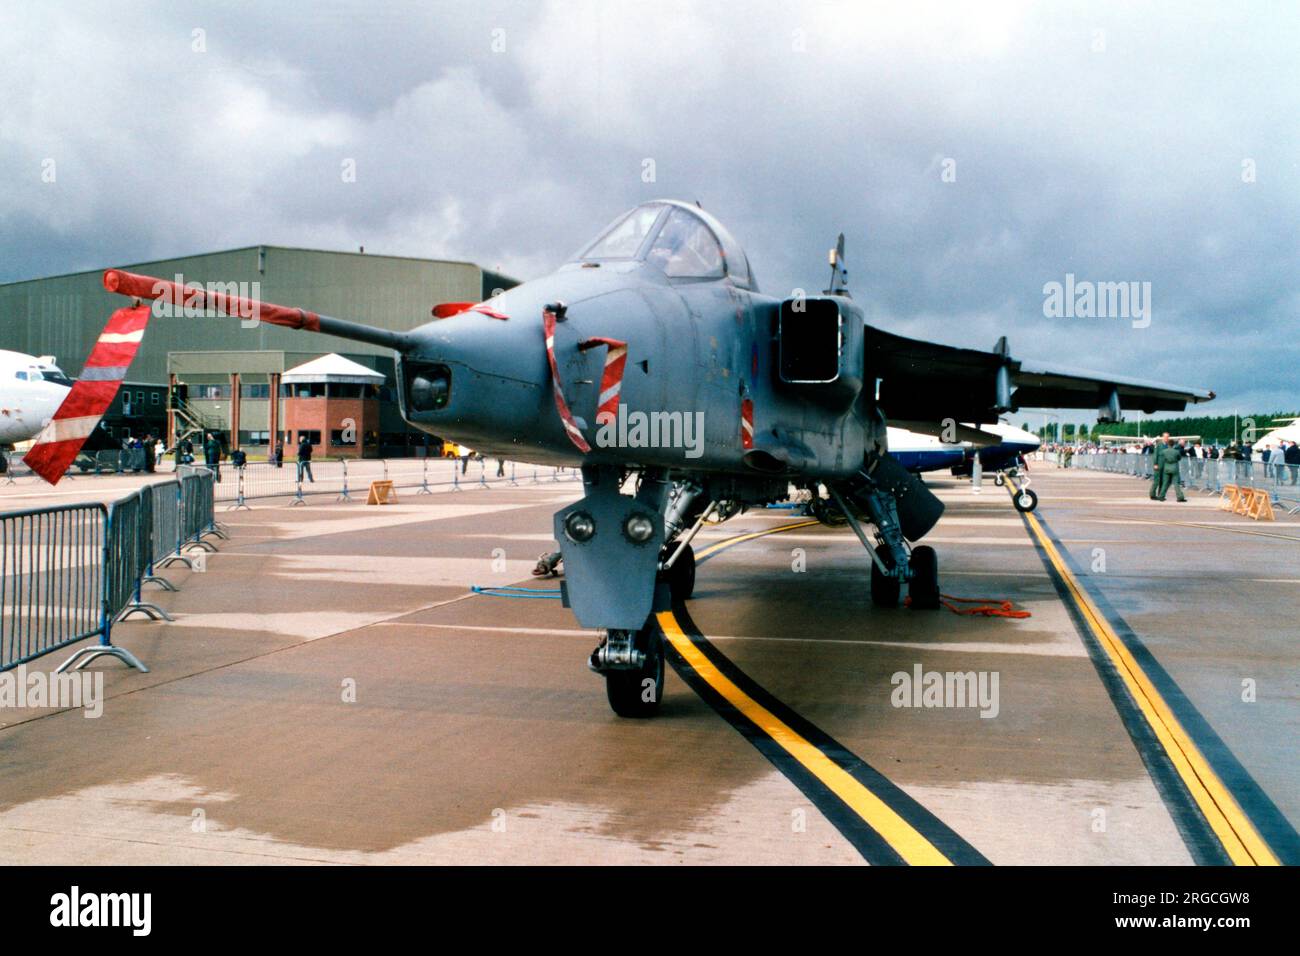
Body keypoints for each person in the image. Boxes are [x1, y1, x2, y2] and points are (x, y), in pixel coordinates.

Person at [1153, 433, 1186, 502]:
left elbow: (1161, 458)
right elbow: (1179, 458)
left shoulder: (1164, 451)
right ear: (1173, 444)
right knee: (1176, 483)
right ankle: (1180, 497)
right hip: (1174, 468)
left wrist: (1156, 463)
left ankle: (1161, 496)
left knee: (1165, 483)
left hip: (1166, 468)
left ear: (1168, 444)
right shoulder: (1176, 451)